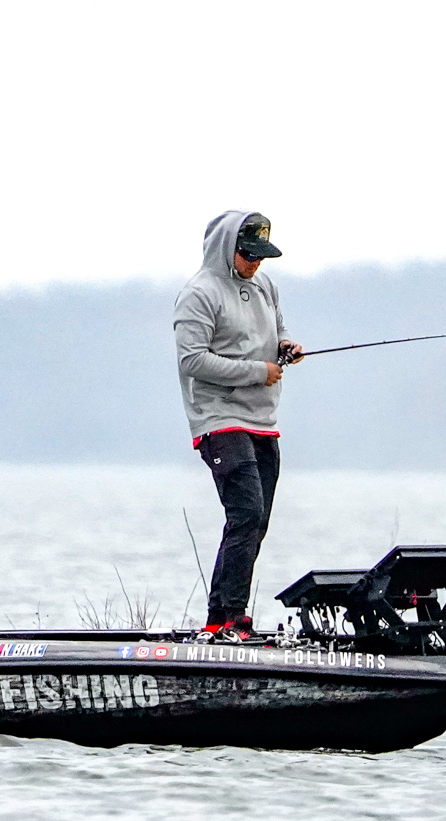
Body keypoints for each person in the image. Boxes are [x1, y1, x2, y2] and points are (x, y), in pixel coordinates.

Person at [173, 211, 303, 640]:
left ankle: (217, 619)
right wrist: (256, 371)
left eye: (261, 255)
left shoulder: (266, 285)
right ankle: (233, 618)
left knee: (255, 520)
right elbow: (192, 360)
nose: (254, 263)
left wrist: (286, 346)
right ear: (226, 246)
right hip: (218, 418)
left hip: (262, 419)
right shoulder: (199, 294)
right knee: (245, 512)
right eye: (248, 254)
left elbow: (277, 329)